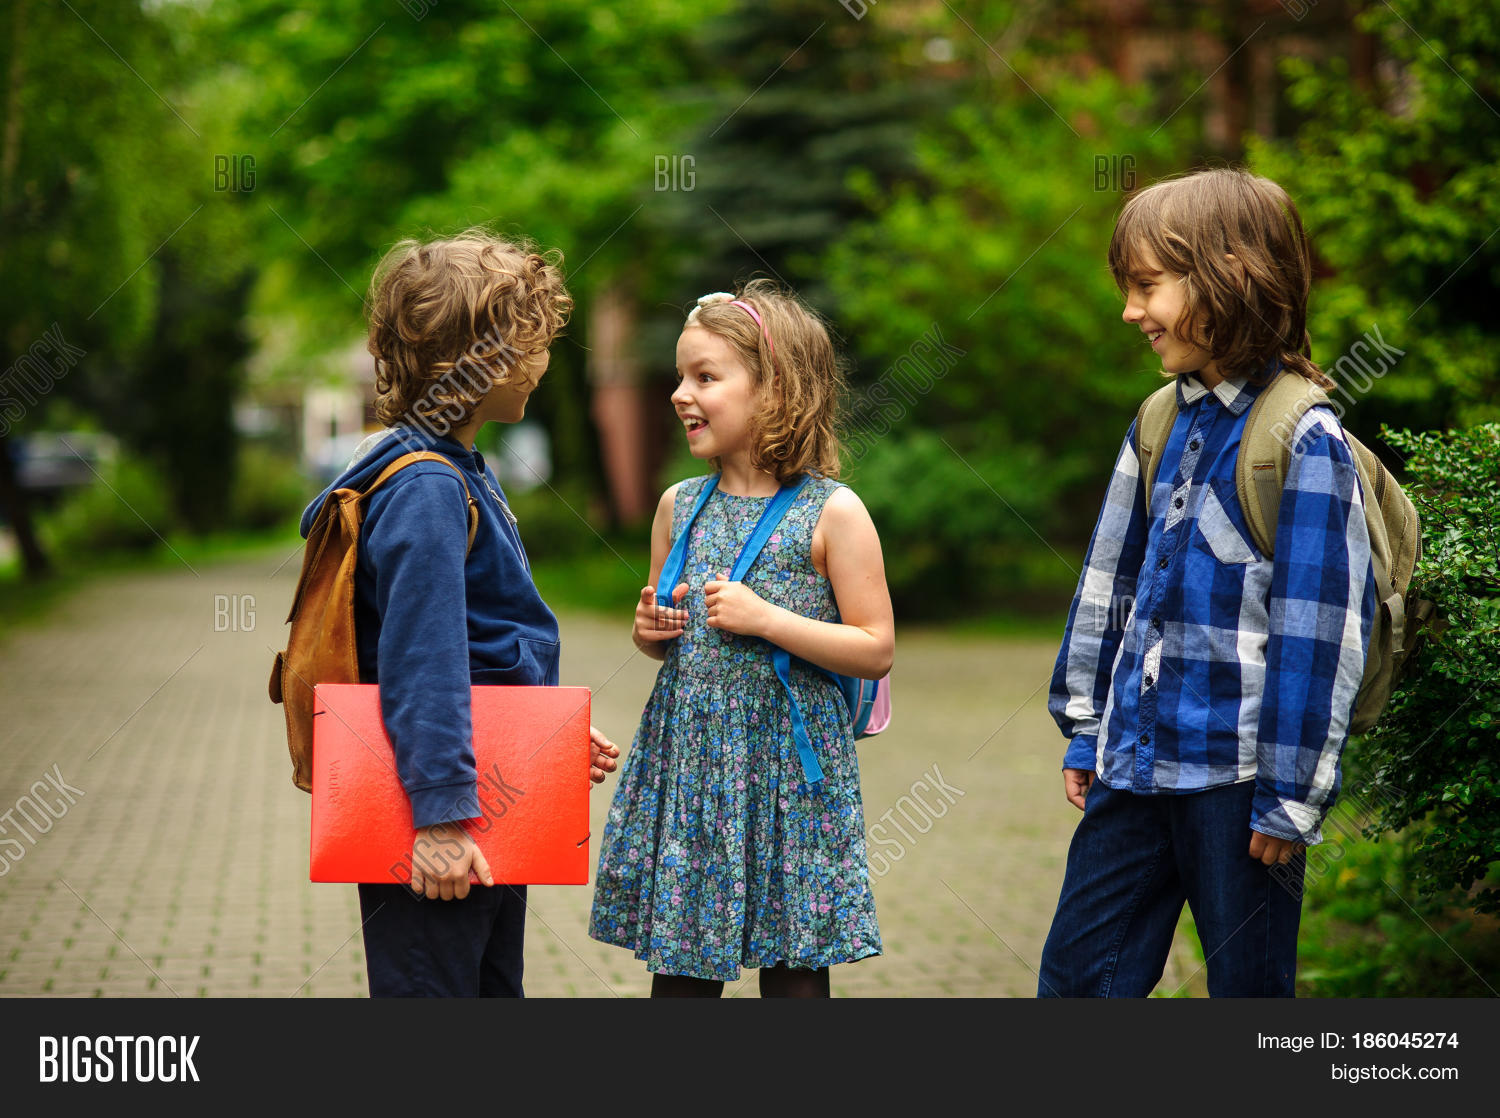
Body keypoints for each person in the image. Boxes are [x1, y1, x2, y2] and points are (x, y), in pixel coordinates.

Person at [1039, 168, 1377, 997]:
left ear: (1229, 279)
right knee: (1078, 981)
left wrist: (1291, 795)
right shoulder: (1157, 421)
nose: (1130, 311)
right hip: (1136, 766)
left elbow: (1318, 630)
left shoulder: (1306, 438)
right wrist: (1086, 725)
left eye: (1147, 287)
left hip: (1240, 788)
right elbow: (1105, 587)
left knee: (1249, 996)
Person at [303, 229, 620, 997]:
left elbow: (485, 638)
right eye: (533, 342)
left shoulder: (456, 470)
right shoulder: (428, 489)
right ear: (479, 365)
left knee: (487, 987)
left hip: (485, 789)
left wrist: (546, 728)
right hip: (438, 817)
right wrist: (440, 823)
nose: (545, 360)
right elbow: (424, 662)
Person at [588, 280, 894, 997]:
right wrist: (650, 632)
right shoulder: (679, 507)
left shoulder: (834, 512)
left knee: (793, 969)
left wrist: (769, 620)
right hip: (692, 763)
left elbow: (876, 647)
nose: (678, 393)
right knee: (684, 967)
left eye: (705, 377)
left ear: (775, 390)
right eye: (678, 376)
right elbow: (668, 640)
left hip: (790, 773)